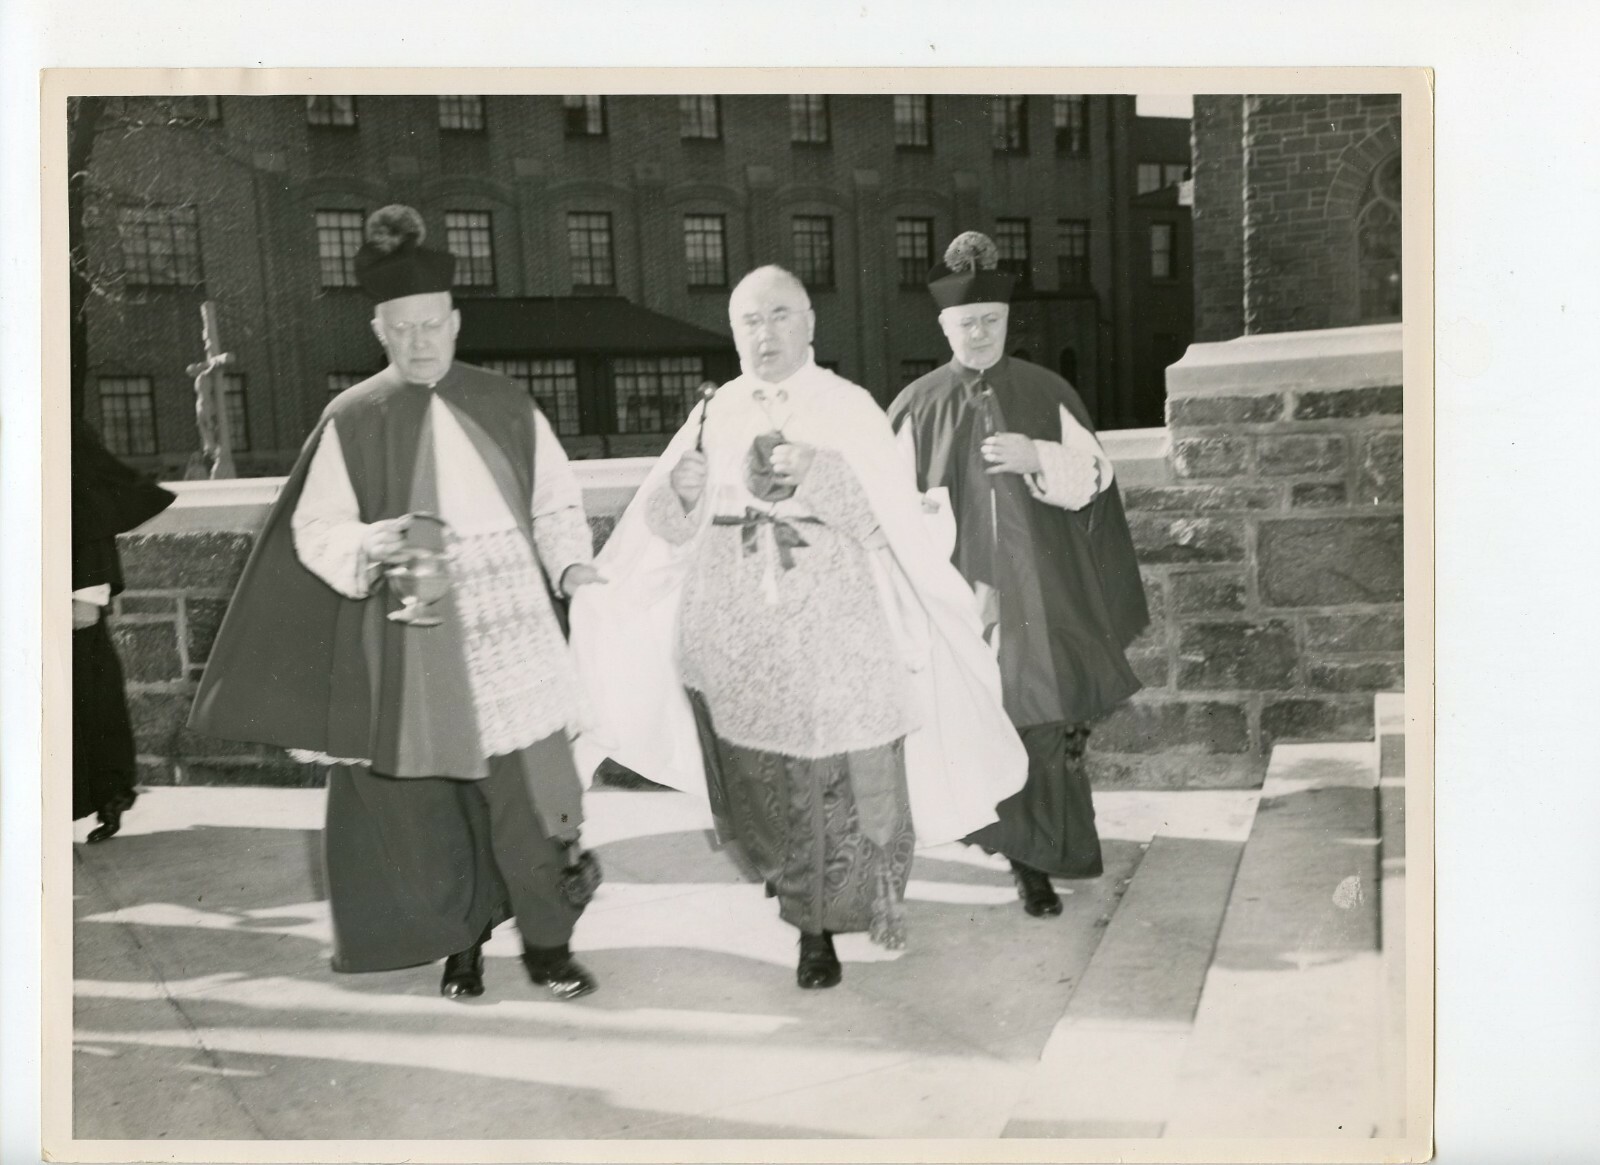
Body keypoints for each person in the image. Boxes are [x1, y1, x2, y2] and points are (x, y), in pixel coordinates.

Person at [190, 205, 604, 1002]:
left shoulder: (509, 402)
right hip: (414, 631)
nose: (420, 342)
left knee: (533, 795)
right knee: (431, 806)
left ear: (454, 320)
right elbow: (315, 528)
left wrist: (572, 569)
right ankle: (464, 945)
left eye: (431, 325)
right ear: (380, 330)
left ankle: (550, 944)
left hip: (512, 627)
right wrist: (367, 545)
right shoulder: (352, 417)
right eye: (401, 329)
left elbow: (555, 503)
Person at [571, 265, 1027, 990]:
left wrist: (820, 470)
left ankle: (826, 923)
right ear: (734, 331)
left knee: (839, 773)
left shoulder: (847, 407)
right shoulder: (715, 412)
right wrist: (680, 495)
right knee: (766, 779)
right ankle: (801, 905)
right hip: (739, 630)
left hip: (835, 623)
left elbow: (891, 522)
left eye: (779, 315)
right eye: (749, 320)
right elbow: (665, 527)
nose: (765, 332)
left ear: (810, 324)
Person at [887, 231, 1150, 917]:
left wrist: (1038, 455)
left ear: (1008, 322)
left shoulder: (1045, 390)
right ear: (944, 325)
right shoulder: (916, 405)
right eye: (966, 323)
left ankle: (1036, 858)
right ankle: (1013, 848)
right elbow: (888, 511)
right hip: (960, 600)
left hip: (1045, 593)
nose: (979, 333)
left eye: (991, 322)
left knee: (1042, 718)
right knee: (982, 721)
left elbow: (1095, 478)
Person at [72, 415, 176, 842]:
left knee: (87, 697)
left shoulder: (55, 418)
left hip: (66, 589)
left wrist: (87, 591)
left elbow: (87, 502)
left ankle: (108, 798)